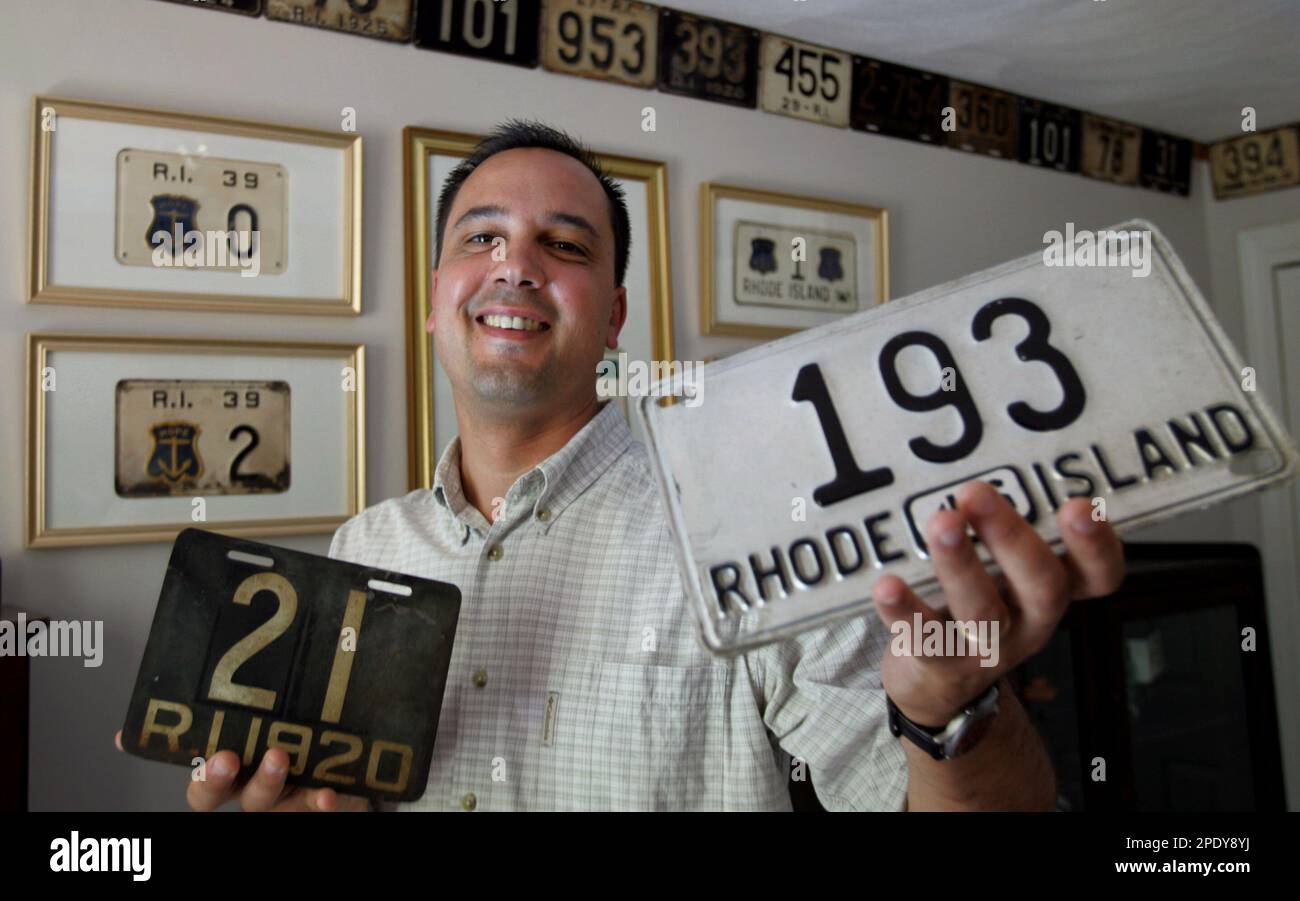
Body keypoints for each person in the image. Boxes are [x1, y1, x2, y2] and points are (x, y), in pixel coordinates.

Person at [117, 120, 1124, 811]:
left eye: (563, 243)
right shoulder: (363, 546)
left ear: (612, 316)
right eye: (483, 236)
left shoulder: (746, 522)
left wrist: (953, 710)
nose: (516, 263)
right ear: (434, 298)